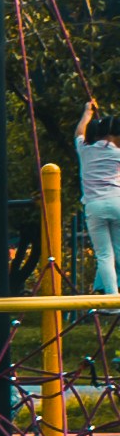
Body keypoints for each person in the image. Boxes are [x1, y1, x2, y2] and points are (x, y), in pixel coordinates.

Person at [86, 99, 120, 302]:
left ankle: (112, 300)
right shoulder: (118, 153)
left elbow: (79, 132)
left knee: (105, 255)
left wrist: (86, 112)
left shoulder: (84, 148)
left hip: (95, 206)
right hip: (117, 202)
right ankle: (112, 292)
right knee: (118, 251)